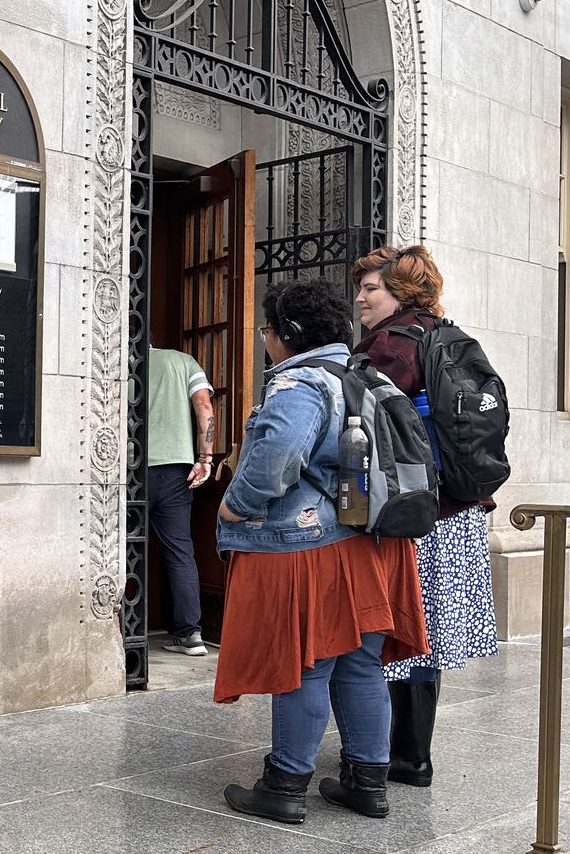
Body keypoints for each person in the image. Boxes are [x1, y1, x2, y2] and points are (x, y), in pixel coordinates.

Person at [214, 279, 429, 825]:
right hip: (373, 544)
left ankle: (284, 787)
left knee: (308, 664)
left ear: (287, 332)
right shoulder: (369, 375)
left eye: (267, 330)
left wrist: (235, 506)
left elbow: (276, 460)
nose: (266, 340)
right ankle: (367, 784)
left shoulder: (300, 383)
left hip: (314, 546)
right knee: (360, 665)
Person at [352, 244, 499, 787]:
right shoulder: (448, 336)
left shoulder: (391, 345)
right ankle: (411, 753)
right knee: (427, 635)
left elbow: (362, 430)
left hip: (412, 515)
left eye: (370, 288)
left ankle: (398, 755)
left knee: (400, 631)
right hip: (457, 512)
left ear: (401, 292)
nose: (360, 298)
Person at [146, 345, 217, 656]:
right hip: (177, 468)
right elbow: (204, 405)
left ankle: (119, 630)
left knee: (120, 547)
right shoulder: (184, 362)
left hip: (132, 467)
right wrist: (206, 457)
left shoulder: (123, 358)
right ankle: (191, 633)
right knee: (180, 552)